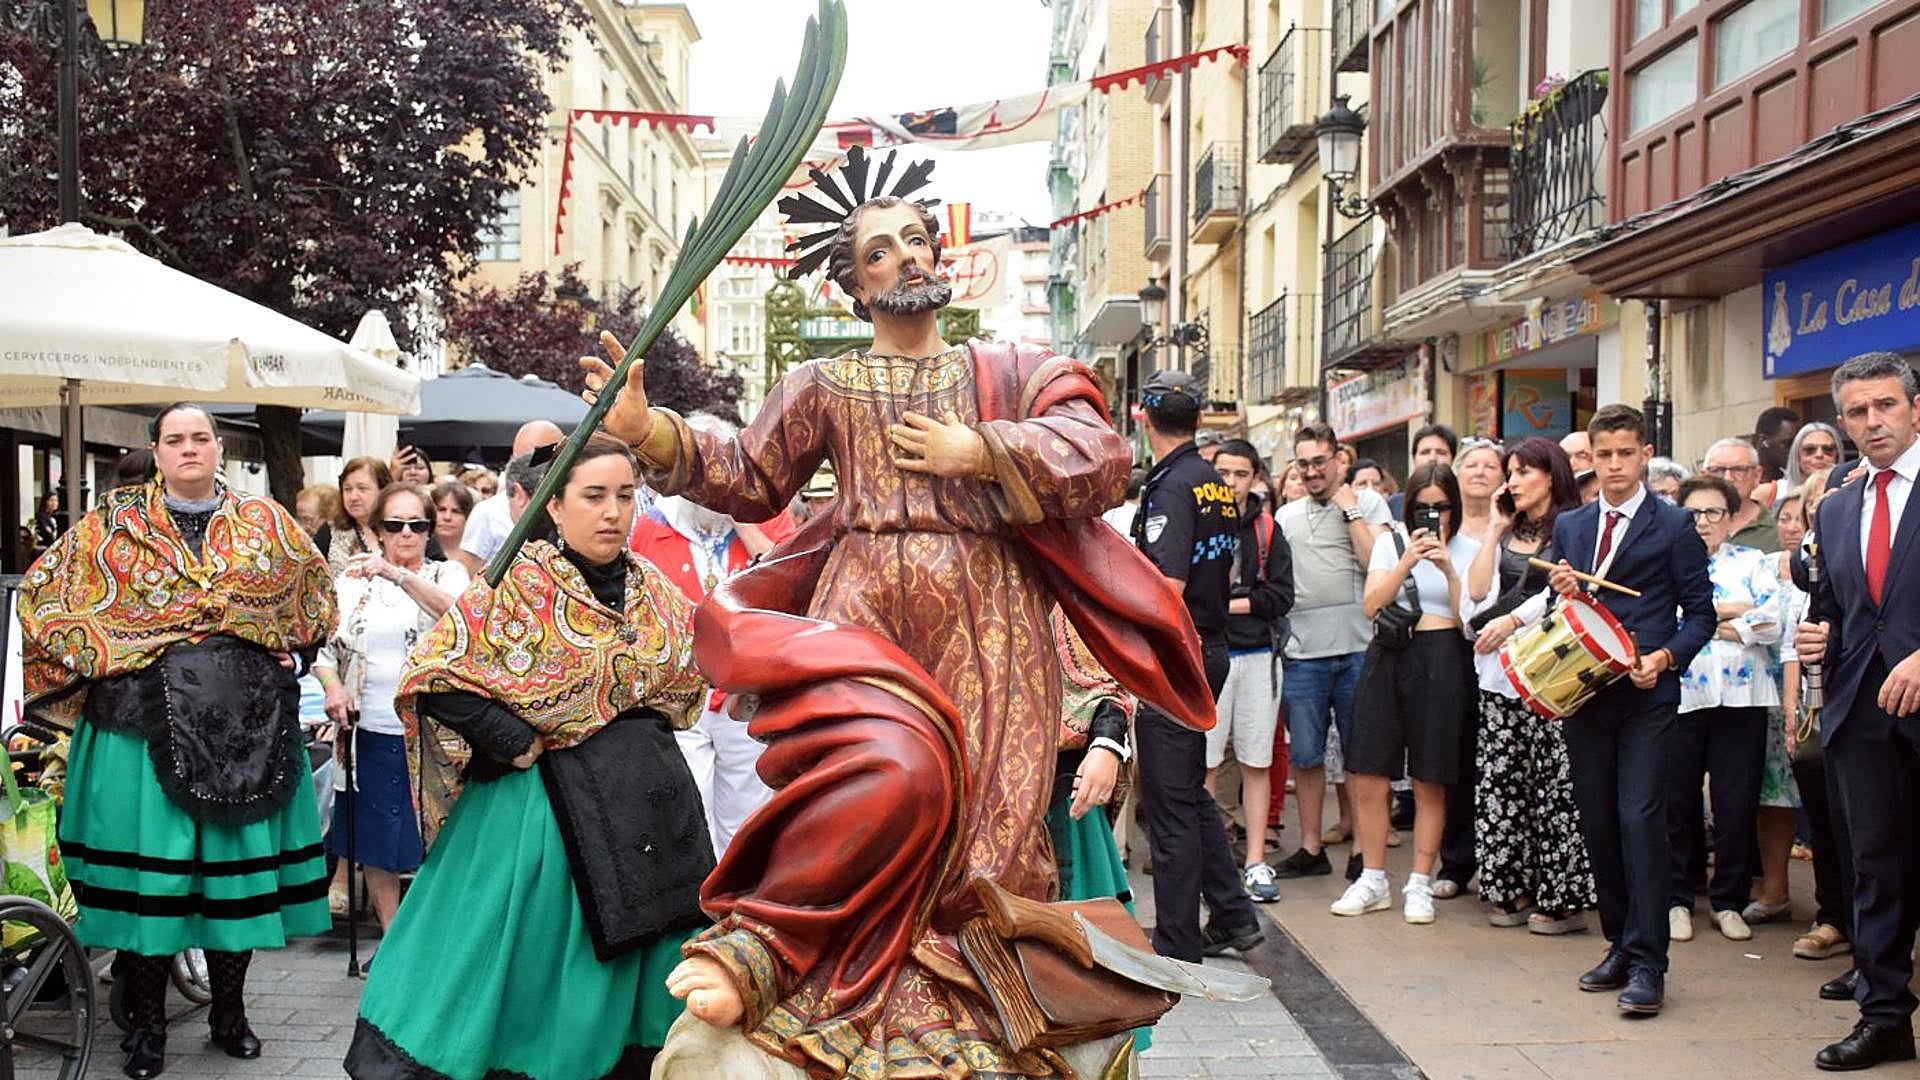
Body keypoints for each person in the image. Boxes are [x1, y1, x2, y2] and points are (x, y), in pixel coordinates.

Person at [584, 161, 1209, 1072]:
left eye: (916, 239)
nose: (907, 257)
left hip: (992, 607)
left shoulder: (1012, 371)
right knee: (879, 776)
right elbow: (752, 477)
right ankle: (782, 953)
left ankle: (985, 997)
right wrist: (652, 436)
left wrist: (983, 448)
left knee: (995, 809)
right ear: (853, 285)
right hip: (867, 606)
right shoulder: (824, 386)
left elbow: (1101, 457)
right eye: (881, 251)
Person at [343, 434, 709, 1080]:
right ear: (556, 506)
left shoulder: (654, 591)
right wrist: (507, 734)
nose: (612, 513)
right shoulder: (517, 586)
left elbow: (686, 684)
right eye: (593, 496)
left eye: (625, 496)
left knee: (645, 994)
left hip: (649, 820)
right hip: (545, 822)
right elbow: (434, 676)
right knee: (533, 979)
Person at [16, 402, 336, 1079]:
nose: (188, 448)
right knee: (151, 891)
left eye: (200, 438)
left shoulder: (267, 525)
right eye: (174, 440)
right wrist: (109, 649)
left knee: (230, 885)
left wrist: (294, 657)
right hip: (139, 726)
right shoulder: (109, 526)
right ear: (156, 451)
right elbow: (44, 601)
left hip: (243, 729)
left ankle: (230, 1013)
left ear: (219, 447)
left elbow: (313, 606)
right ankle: (146, 1028)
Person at [1546, 404, 1715, 1017]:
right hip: (1585, 691)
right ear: (1589, 457)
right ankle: (1618, 942)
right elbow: (1562, 612)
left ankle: (1650, 962)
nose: (1614, 465)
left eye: (1625, 453)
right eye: (1603, 454)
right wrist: (1563, 592)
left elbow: (1701, 613)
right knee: (1598, 821)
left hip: (1647, 692)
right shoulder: (1572, 526)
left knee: (1640, 819)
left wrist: (1666, 658)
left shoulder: (1674, 527)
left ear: (1645, 454)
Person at [1795, 352, 1920, 1070]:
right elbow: (1840, 608)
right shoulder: (1838, 506)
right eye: (1858, 412)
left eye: (1886, 406)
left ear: (1913, 407)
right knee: (1875, 866)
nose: (1874, 422)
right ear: (1842, 422)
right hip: (1861, 713)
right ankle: (1884, 1017)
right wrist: (1822, 636)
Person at [1128, 372, 1262, 956]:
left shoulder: (1173, 487)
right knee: (1187, 790)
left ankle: (1178, 936)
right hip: (1211, 647)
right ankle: (1232, 913)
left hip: (1177, 655)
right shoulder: (1211, 481)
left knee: (1169, 801)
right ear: (1199, 419)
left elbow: (1168, 584)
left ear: (1142, 417)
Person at [627, 413, 788, 859]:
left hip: (748, 694)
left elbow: (790, 585)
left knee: (747, 817)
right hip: (682, 697)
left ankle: (741, 911)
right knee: (687, 806)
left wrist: (744, 518)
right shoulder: (652, 528)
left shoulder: (768, 524)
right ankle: (694, 909)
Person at [313, 482, 467, 928]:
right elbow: (325, 652)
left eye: (417, 525)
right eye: (395, 525)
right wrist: (332, 688)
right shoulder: (350, 583)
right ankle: (392, 934)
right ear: (378, 529)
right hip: (370, 730)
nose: (406, 534)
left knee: (437, 840)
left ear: (429, 530)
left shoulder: (447, 574)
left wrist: (397, 574)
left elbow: (460, 617)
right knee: (377, 840)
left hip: (437, 734)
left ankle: (430, 936)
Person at [1331, 464, 1477, 923]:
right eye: (1422, 508)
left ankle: (1419, 882)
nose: (1432, 517)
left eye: (1441, 508)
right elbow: (1372, 604)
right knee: (1370, 772)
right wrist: (1407, 561)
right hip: (1390, 655)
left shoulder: (1469, 549)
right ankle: (1373, 878)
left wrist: (1450, 569)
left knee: (1431, 776)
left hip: (1443, 657)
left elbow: (1468, 619)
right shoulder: (1392, 543)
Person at [1464, 437, 1594, 934]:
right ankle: (1507, 885)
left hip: (1552, 674)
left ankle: (1560, 896)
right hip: (1500, 676)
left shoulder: (1573, 527)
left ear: (1551, 475)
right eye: (1510, 472)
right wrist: (1495, 527)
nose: (1512, 481)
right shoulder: (1508, 527)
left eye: (1523, 472)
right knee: (1502, 783)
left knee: (1554, 787)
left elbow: (1566, 596)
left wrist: (1513, 622)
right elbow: (1477, 591)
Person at [1272, 423, 1392, 882]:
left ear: (1339, 459)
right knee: (1305, 755)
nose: (1311, 472)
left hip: (1361, 650)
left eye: (1319, 462)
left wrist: (1350, 513)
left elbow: (1377, 561)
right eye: (1303, 464)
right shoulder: (1286, 516)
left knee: (1363, 756)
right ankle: (1310, 846)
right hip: (1304, 654)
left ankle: (1365, 849)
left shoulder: (1368, 504)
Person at [1666, 473, 1782, 944]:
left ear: (1731, 519)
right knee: (1676, 799)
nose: (1703, 522)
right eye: (1693, 513)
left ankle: (1728, 900)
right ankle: (1675, 898)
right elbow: (1662, 618)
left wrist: (1703, 620)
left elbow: (1773, 620)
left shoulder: (1752, 561)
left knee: (1736, 803)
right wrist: (1731, 612)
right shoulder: (1667, 563)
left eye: (1714, 513)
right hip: (1682, 696)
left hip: (1743, 698)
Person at [1207, 438, 1295, 903]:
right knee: (1204, 763)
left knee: (1256, 762)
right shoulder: (1201, 521)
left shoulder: (1267, 529)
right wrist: (1239, 604)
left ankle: (1256, 860)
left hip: (1259, 657)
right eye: (1224, 472)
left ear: (1255, 477)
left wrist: (1225, 604)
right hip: (1212, 655)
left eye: (1241, 474)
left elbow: (1279, 597)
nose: (1231, 482)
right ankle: (1209, 861)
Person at [1430, 439, 1504, 898]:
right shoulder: (1445, 530)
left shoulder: (1510, 529)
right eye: (1470, 464)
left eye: (1490, 465)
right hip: (1455, 654)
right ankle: (1456, 862)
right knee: (1457, 760)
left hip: (1505, 655)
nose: (1479, 472)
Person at [1746, 484, 1808, 928]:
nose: (1790, 526)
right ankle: (1775, 888)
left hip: (1812, 697)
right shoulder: (1762, 565)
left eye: (1799, 518)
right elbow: (1750, 617)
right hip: (1762, 697)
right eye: (1783, 517)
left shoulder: (1822, 569)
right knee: (1772, 797)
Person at [456, 420, 564, 575]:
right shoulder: (488, 512)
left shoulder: (580, 505)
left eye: (545, 458)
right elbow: (467, 573)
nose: (536, 469)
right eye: (524, 460)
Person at [313, 457, 392, 576]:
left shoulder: (405, 528)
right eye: (347, 489)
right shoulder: (329, 532)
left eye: (362, 488)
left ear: (383, 490)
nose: (353, 497)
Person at [1702, 436, 1780, 552]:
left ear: (1757, 475)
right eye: (1717, 470)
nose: (1727, 478)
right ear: (1703, 476)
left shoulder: (1780, 529)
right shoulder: (1686, 527)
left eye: (1738, 470)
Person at [1757, 420, 1842, 510]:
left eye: (1828, 449)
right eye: (1809, 449)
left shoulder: (1851, 494)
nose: (1819, 455)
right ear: (1796, 454)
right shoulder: (1770, 493)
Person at [1754, 405, 1803, 485]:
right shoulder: (1740, 478)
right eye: (1788, 443)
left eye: (1797, 443)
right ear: (1763, 441)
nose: (1795, 449)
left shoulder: (1795, 481)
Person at [428, 478, 474, 562]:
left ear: (467, 516)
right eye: (441, 509)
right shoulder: (418, 552)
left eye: (456, 511)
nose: (447, 517)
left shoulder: (477, 554)